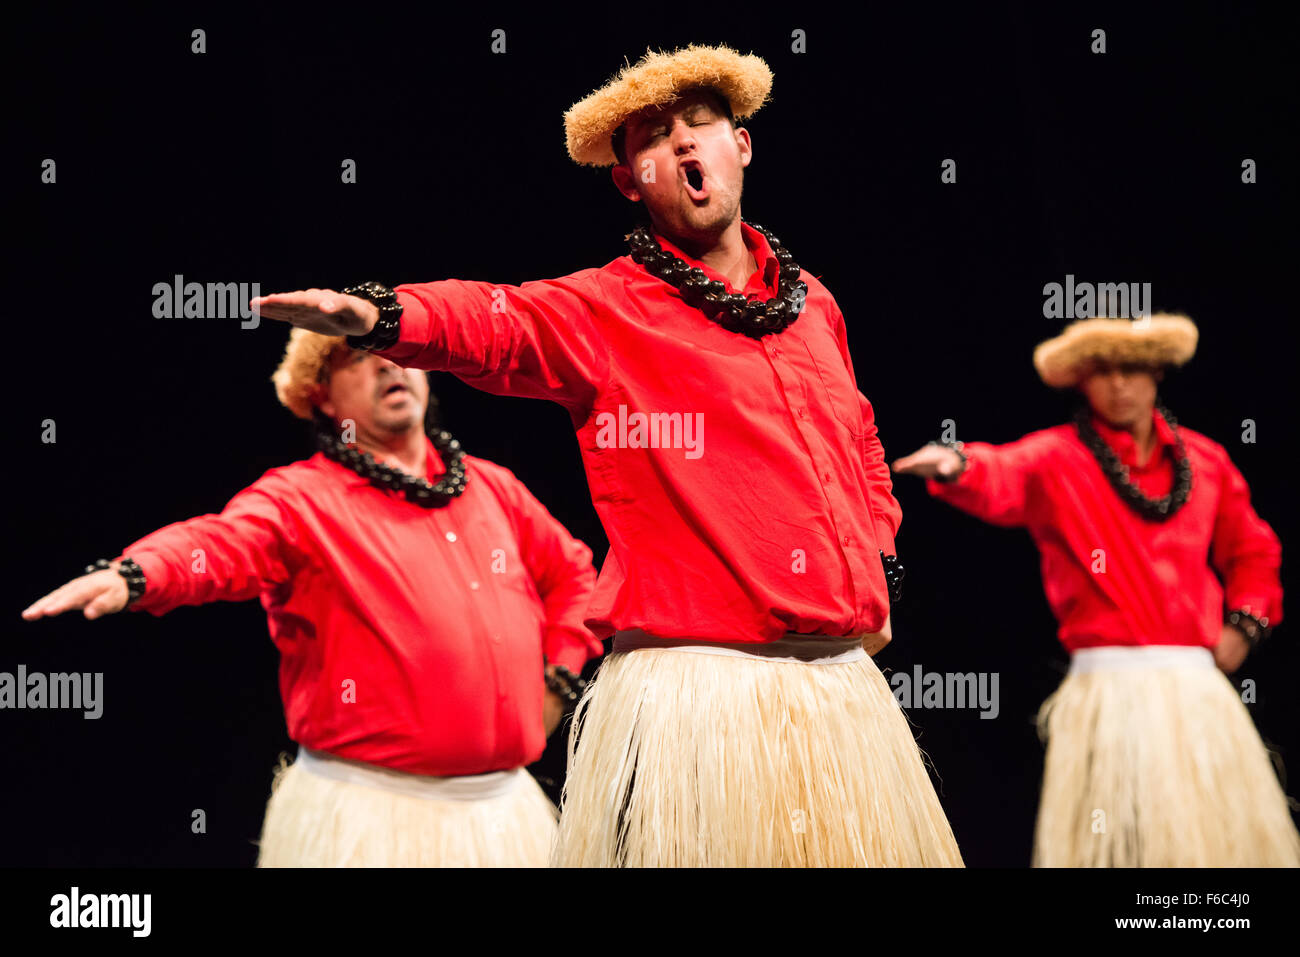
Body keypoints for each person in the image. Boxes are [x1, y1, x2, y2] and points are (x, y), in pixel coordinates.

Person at [251, 44, 963, 867]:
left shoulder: (815, 309)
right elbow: (497, 322)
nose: (686, 147)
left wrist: (879, 545)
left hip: (843, 693)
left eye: (701, 125)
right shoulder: (604, 310)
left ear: (744, 144)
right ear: (629, 180)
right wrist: (380, 315)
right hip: (706, 704)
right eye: (655, 139)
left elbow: (861, 438)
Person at [22, 329, 601, 867]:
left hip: (503, 816)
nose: (386, 366)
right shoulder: (299, 501)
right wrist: (136, 575)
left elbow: (574, 574)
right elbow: (218, 546)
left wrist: (558, 677)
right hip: (366, 822)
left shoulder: (492, 486)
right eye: (357, 358)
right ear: (319, 396)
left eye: (396, 352)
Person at [893, 312, 1300, 866]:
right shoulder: (1058, 457)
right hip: (1106, 688)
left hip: (1196, 687)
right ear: (1082, 379)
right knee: (1114, 849)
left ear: (1156, 372)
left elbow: (1254, 550)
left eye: (1131, 369)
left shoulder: (1206, 461)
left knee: (1215, 853)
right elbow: (1006, 472)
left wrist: (1245, 626)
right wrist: (956, 462)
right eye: (1103, 370)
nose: (1118, 384)